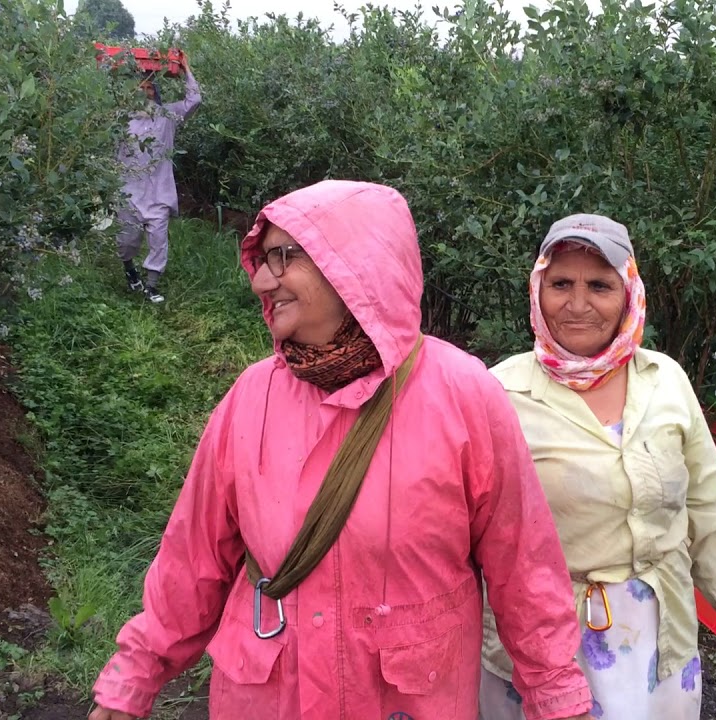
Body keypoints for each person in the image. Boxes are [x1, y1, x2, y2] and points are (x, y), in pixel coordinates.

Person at [89, 181, 595, 720]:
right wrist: (132, 681)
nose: (262, 279)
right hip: (266, 697)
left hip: (408, 700)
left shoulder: (463, 394)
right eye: (262, 260)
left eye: (284, 257)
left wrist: (556, 695)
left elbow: (524, 568)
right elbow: (193, 561)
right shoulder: (250, 397)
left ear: (357, 263)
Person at [478, 214, 716, 719]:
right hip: (540, 643)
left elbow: (706, 511)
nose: (577, 305)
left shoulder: (665, 381)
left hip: (656, 639)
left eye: (599, 285)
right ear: (538, 289)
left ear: (628, 292)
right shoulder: (496, 392)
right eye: (561, 283)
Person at [114, 57, 201, 304]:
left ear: (156, 92)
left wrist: (186, 68)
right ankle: (130, 269)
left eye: (149, 88)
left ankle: (151, 285)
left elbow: (194, 101)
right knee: (127, 241)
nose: (145, 93)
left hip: (159, 194)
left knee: (159, 241)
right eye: (140, 89)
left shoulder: (167, 116)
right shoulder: (121, 121)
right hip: (127, 193)